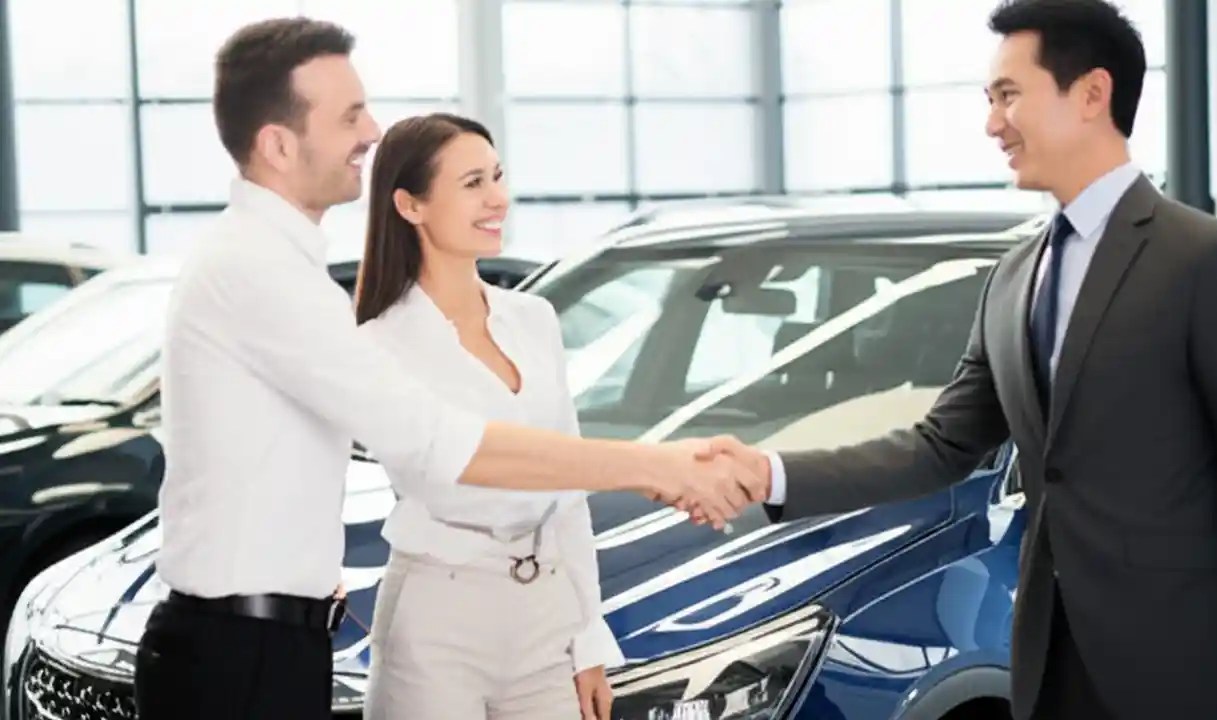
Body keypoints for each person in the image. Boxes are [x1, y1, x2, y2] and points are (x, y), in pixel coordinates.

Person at [133, 18, 765, 720]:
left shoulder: (280, 266)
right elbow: (438, 442)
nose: (371, 132)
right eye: (348, 116)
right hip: (248, 653)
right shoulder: (260, 273)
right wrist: (658, 466)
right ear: (279, 144)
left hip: (277, 641)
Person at [705, 2, 1217, 719]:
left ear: (1092, 94)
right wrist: (769, 473)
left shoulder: (1207, 260)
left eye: (1009, 95)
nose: (992, 124)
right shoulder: (1014, 278)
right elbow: (939, 446)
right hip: (1044, 665)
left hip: (1182, 676)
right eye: (989, 100)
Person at [352, 113, 620, 720]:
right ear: (410, 205)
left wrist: (589, 638)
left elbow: (570, 488)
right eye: (472, 183)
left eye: (497, 177)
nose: (498, 198)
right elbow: (452, 467)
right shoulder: (378, 345)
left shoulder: (533, 318)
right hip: (439, 610)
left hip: (547, 606)